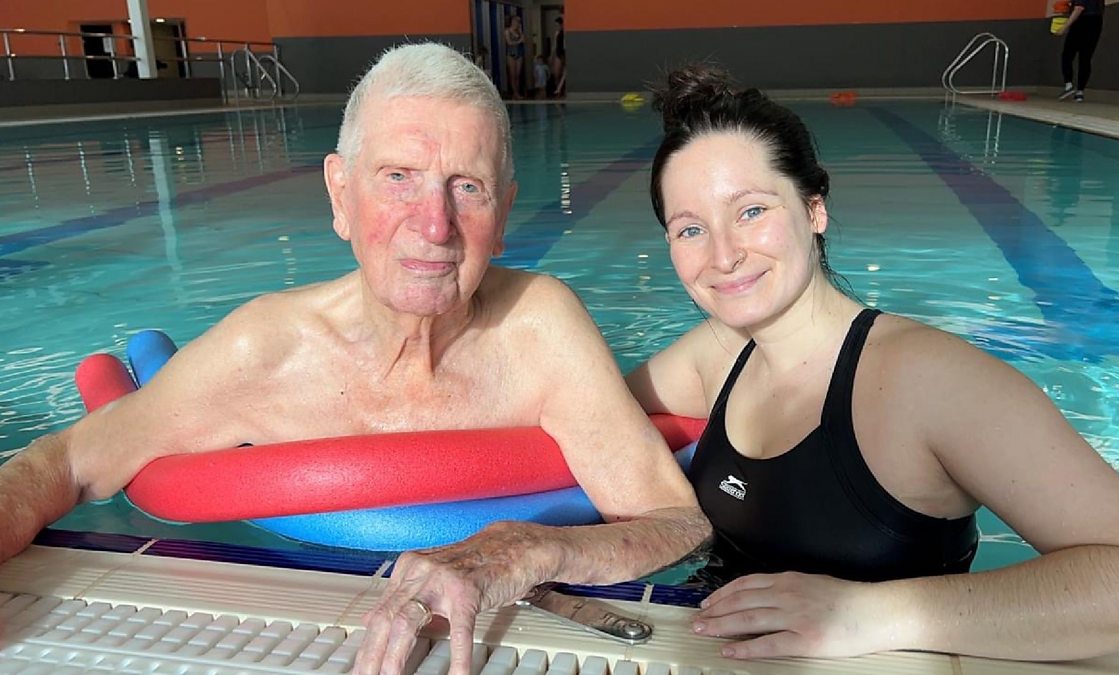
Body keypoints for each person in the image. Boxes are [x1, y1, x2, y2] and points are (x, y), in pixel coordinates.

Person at [0, 44, 710, 675]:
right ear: (341, 193)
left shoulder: (540, 329)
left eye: (467, 186)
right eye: (398, 176)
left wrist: (533, 548)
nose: (434, 224)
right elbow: (68, 462)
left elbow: (677, 523)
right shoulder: (266, 353)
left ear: (503, 214)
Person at [625, 65, 1119, 662]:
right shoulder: (717, 355)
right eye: (690, 230)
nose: (723, 255)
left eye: (751, 212)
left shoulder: (926, 380)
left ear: (814, 209)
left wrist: (871, 614)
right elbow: (590, 416)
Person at [1053, 0, 1104, 102]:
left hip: (1082, 21)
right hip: (1096, 21)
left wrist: (1064, 27)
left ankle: (1068, 85)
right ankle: (1080, 92)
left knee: (1067, 55)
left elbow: (1079, 8)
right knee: (1085, 58)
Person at [503, 15, 526, 99]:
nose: (518, 23)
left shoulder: (519, 31)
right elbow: (509, 43)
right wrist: (519, 41)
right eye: (516, 21)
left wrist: (520, 31)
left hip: (519, 53)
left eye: (519, 22)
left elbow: (524, 40)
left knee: (518, 74)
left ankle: (517, 92)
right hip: (511, 54)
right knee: (512, 74)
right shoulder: (507, 31)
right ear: (512, 22)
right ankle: (515, 93)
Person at [550, 16, 566, 97]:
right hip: (558, 53)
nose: (557, 27)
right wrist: (551, 55)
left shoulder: (565, 32)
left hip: (564, 53)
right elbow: (554, 45)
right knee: (556, 74)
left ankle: (561, 89)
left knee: (564, 72)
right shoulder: (557, 33)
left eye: (558, 25)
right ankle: (558, 90)